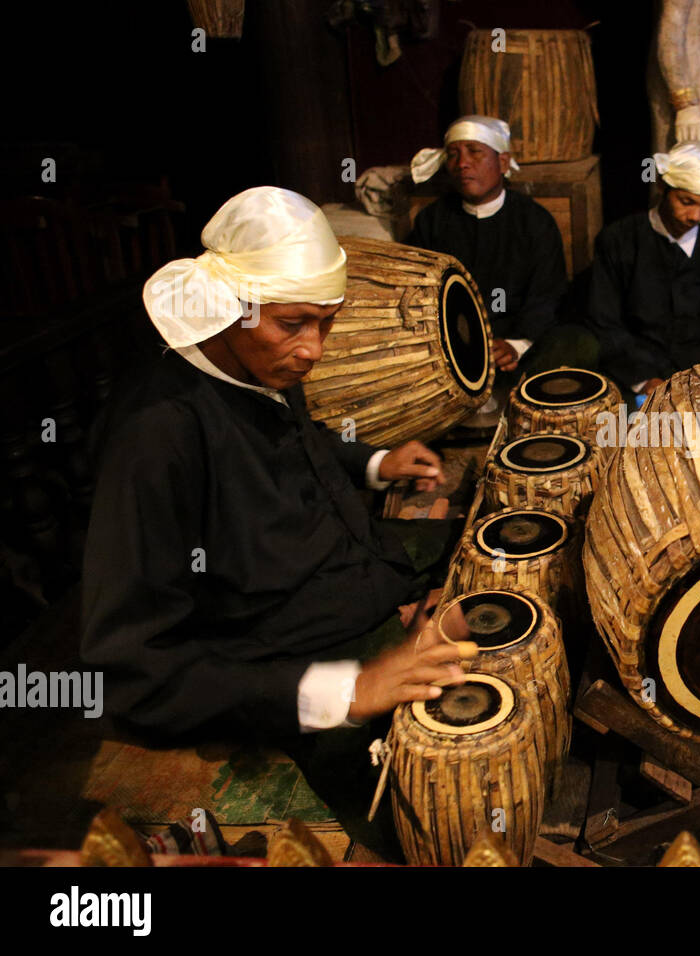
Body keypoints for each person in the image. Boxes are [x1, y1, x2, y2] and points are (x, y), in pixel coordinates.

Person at [81, 187, 471, 853]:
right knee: (434, 820)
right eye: (295, 323)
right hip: (281, 674)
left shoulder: (260, 359)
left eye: (327, 321)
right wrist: (349, 689)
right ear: (231, 308)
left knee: (496, 569)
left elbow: (300, 445)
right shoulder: (159, 437)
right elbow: (127, 671)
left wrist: (376, 462)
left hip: (363, 580)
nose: (314, 350)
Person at [406, 115, 597, 380]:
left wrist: (517, 345)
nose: (462, 164)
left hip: (522, 342)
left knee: (578, 342)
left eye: (475, 153)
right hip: (452, 342)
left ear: (503, 162)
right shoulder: (432, 221)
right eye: (453, 155)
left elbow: (547, 294)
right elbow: (420, 291)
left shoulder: (534, 221)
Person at [585, 141, 700, 397]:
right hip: (639, 369)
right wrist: (644, 379)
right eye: (686, 201)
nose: (695, 216)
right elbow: (605, 321)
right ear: (663, 186)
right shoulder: (618, 240)